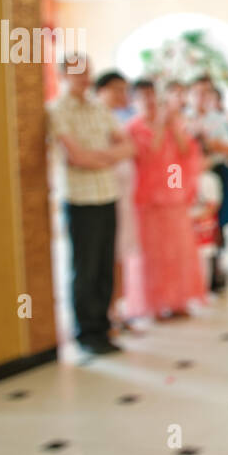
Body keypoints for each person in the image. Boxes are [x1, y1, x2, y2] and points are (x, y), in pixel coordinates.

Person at [48, 54, 134, 356]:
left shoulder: (99, 108)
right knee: (84, 267)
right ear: (63, 75)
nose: (85, 78)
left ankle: (103, 326)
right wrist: (105, 156)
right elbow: (76, 157)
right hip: (80, 198)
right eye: (78, 73)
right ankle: (86, 332)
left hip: (107, 194)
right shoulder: (57, 110)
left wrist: (98, 157)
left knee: (104, 265)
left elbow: (128, 146)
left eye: (87, 72)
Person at [125, 79, 206, 319]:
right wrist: (160, 127)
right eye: (143, 97)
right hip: (148, 199)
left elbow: (185, 152)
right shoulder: (134, 128)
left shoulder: (173, 124)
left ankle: (178, 299)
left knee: (178, 250)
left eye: (152, 96)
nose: (150, 101)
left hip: (173, 193)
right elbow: (148, 154)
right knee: (153, 254)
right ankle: (155, 304)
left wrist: (173, 128)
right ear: (134, 101)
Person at [93, 70, 146, 324]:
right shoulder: (97, 118)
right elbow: (97, 154)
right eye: (116, 89)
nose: (122, 95)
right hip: (104, 195)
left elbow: (131, 149)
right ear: (100, 91)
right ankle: (109, 311)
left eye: (125, 89)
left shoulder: (119, 120)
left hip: (126, 196)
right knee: (107, 256)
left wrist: (119, 151)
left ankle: (120, 308)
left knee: (122, 256)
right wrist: (116, 153)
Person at [189, 77, 228, 291]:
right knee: (191, 223)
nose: (201, 97)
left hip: (215, 173)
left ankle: (216, 271)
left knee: (216, 221)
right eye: (197, 92)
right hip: (186, 177)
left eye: (206, 93)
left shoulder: (218, 119)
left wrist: (210, 143)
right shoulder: (182, 119)